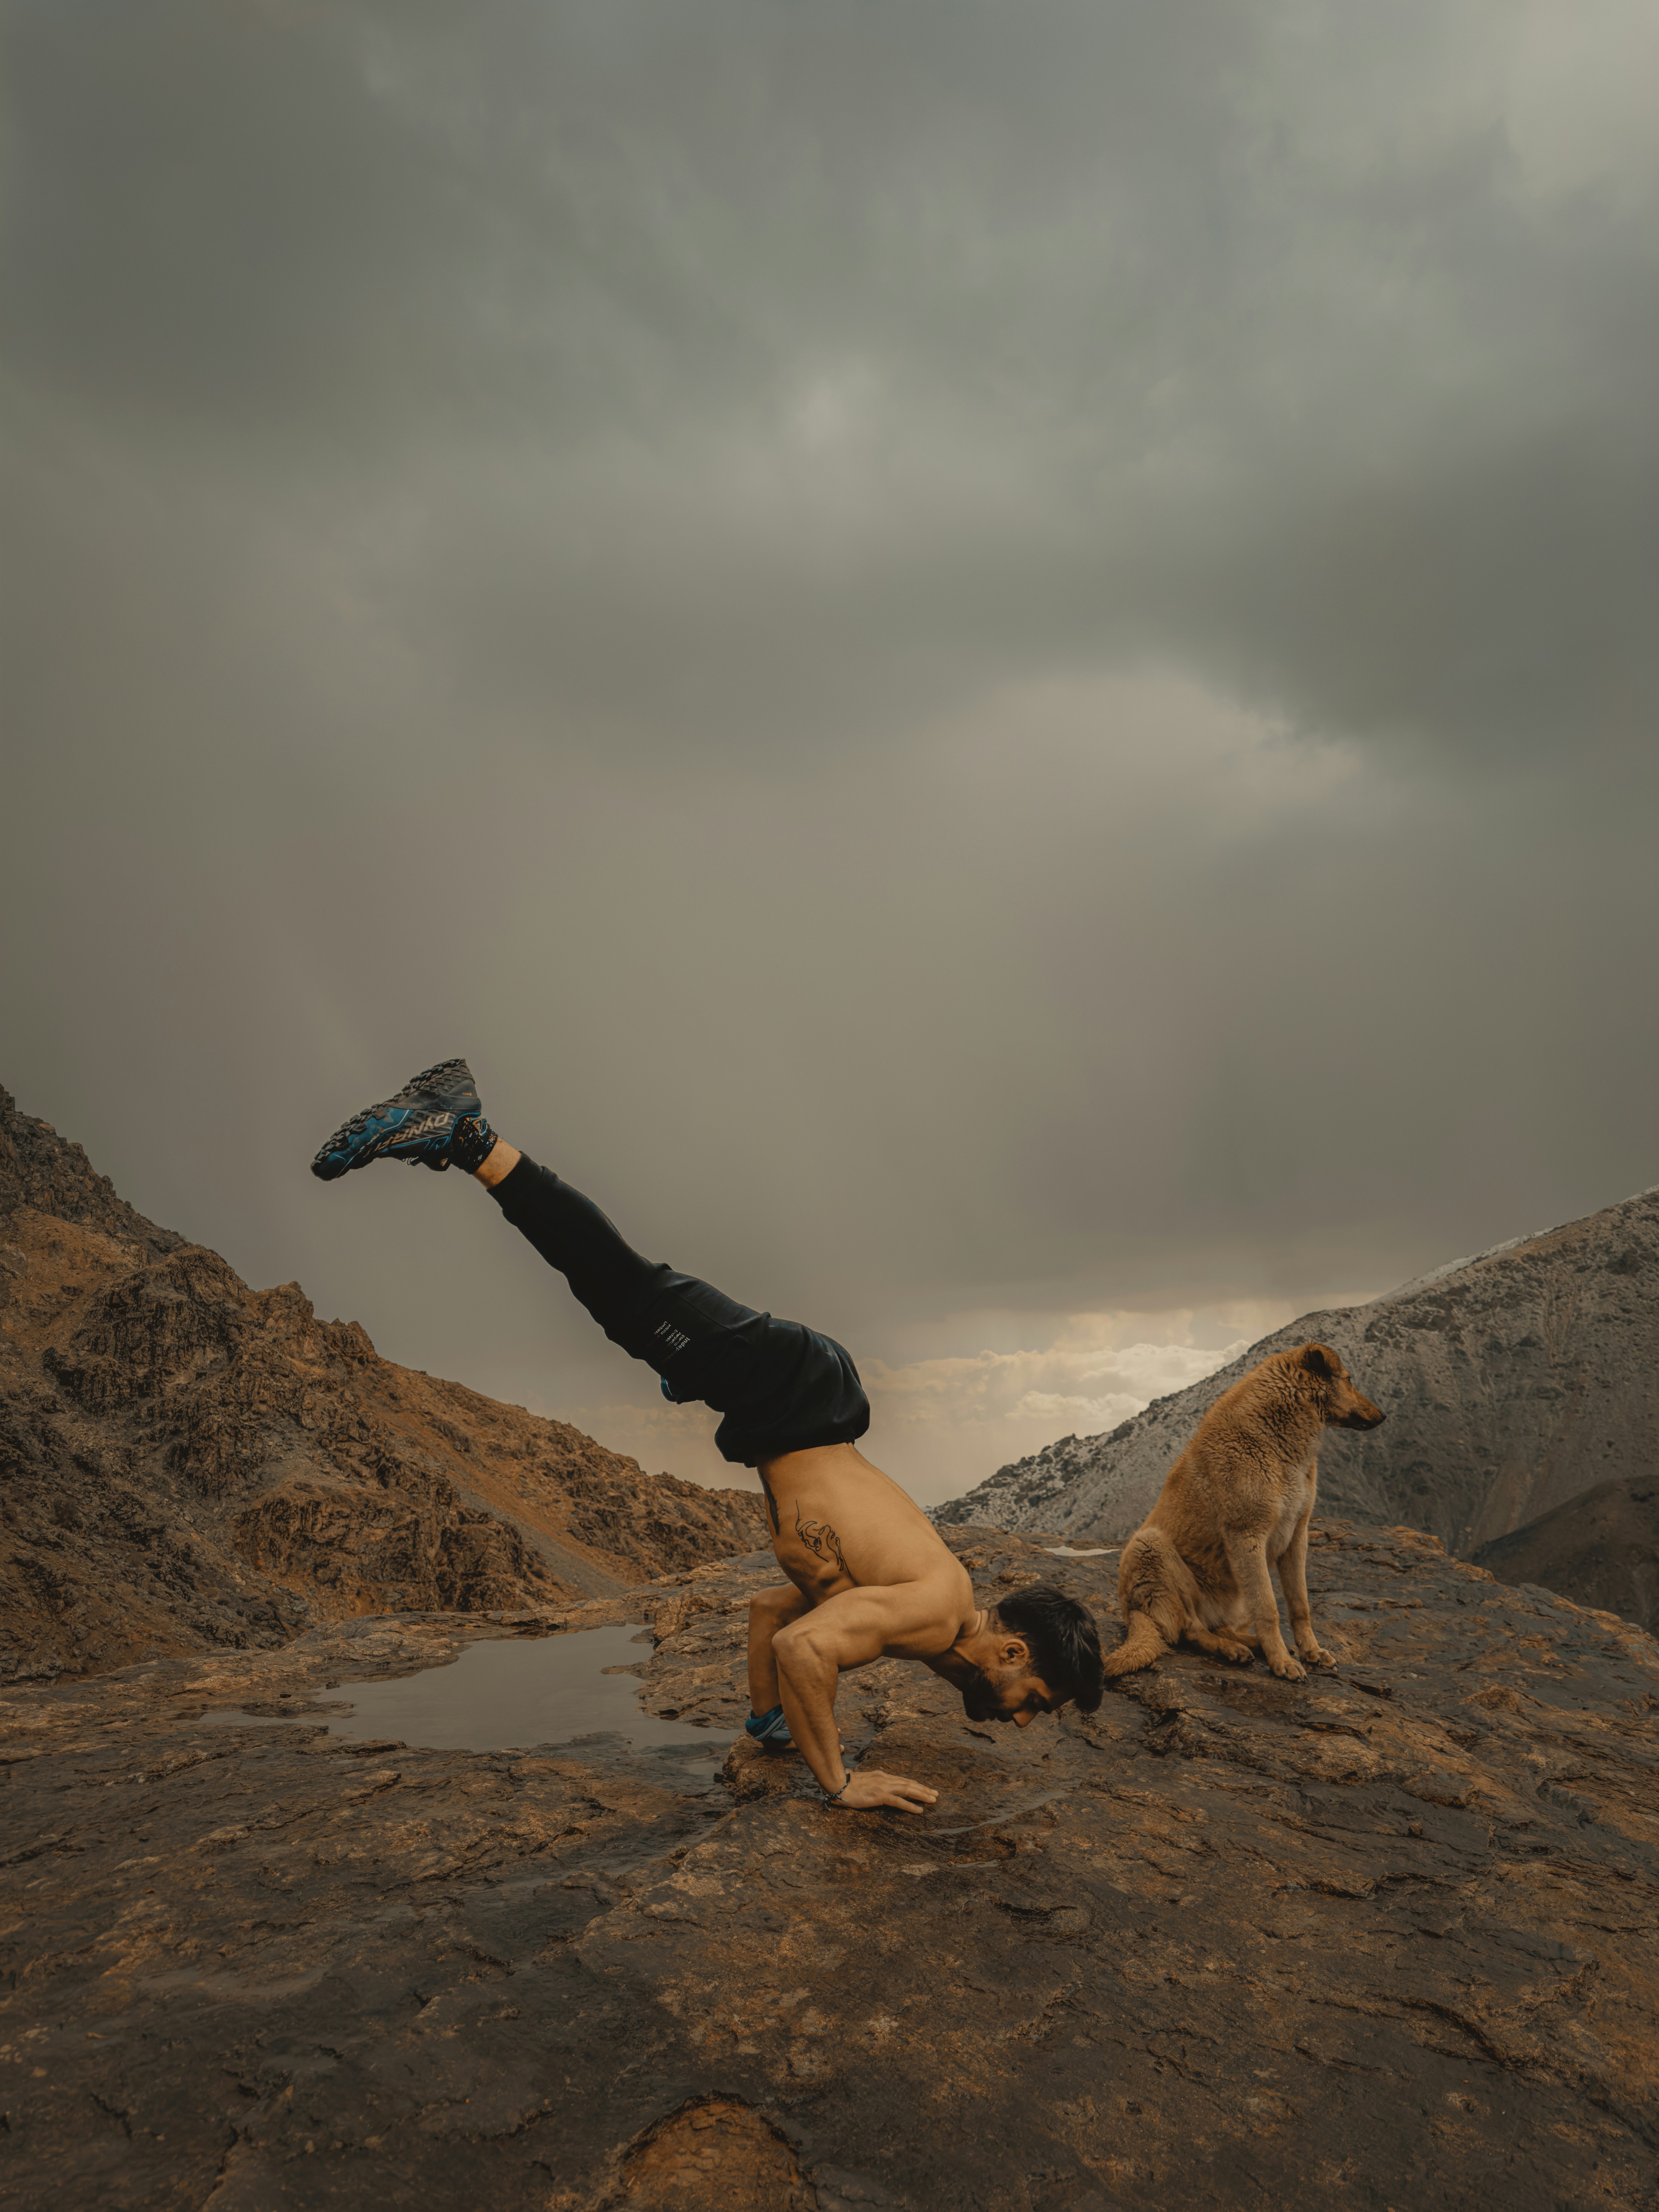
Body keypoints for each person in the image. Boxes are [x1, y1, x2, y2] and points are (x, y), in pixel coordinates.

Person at [311, 1059, 1105, 1813]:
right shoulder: (934, 1613)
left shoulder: (930, 1624)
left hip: (792, 1402)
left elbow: (774, 1617)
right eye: (1037, 1701)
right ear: (1010, 1654)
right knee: (622, 1290)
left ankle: (677, 1351)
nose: (1026, 1722)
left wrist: (769, 1727)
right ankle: (464, 1134)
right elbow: (807, 1651)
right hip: (789, 1393)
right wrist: (838, 1781)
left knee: (633, 1311)